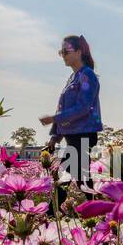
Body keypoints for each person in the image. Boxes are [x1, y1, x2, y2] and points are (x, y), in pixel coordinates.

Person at [40, 35, 102, 203]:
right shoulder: (72, 78)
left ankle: (52, 213)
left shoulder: (87, 75)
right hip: (72, 134)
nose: (63, 55)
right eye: (61, 52)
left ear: (79, 52)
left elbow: (83, 107)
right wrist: (55, 137)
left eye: (66, 51)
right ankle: (97, 208)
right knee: (81, 176)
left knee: (66, 173)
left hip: (84, 133)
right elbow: (64, 109)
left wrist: (54, 118)